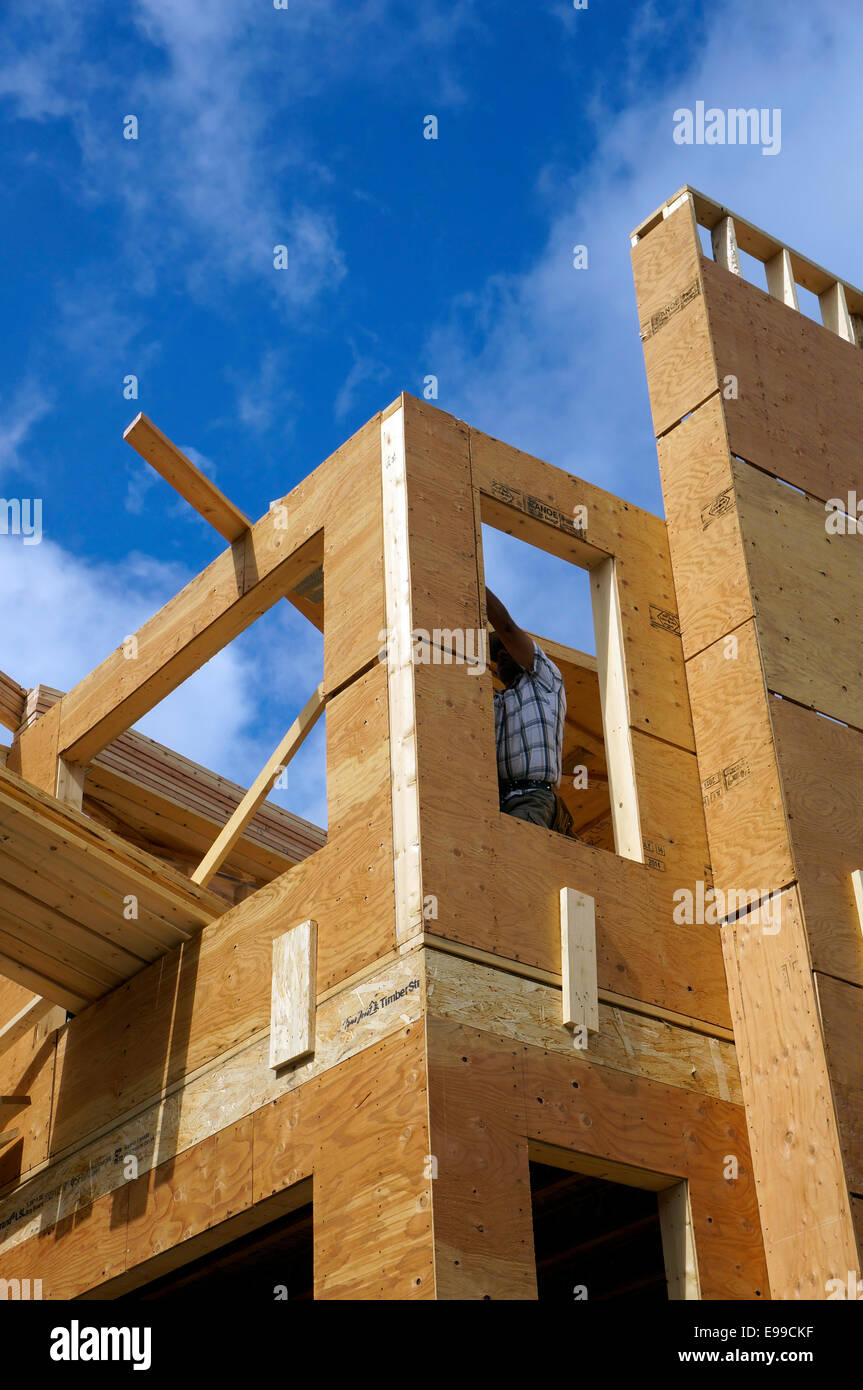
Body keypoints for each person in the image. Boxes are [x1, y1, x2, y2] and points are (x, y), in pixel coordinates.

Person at [485, 587, 570, 832]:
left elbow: (508, 629)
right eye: (495, 653)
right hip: (497, 802)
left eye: (506, 648)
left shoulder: (545, 679)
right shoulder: (496, 703)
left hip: (532, 798)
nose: (500, 654)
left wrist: (473, 582)